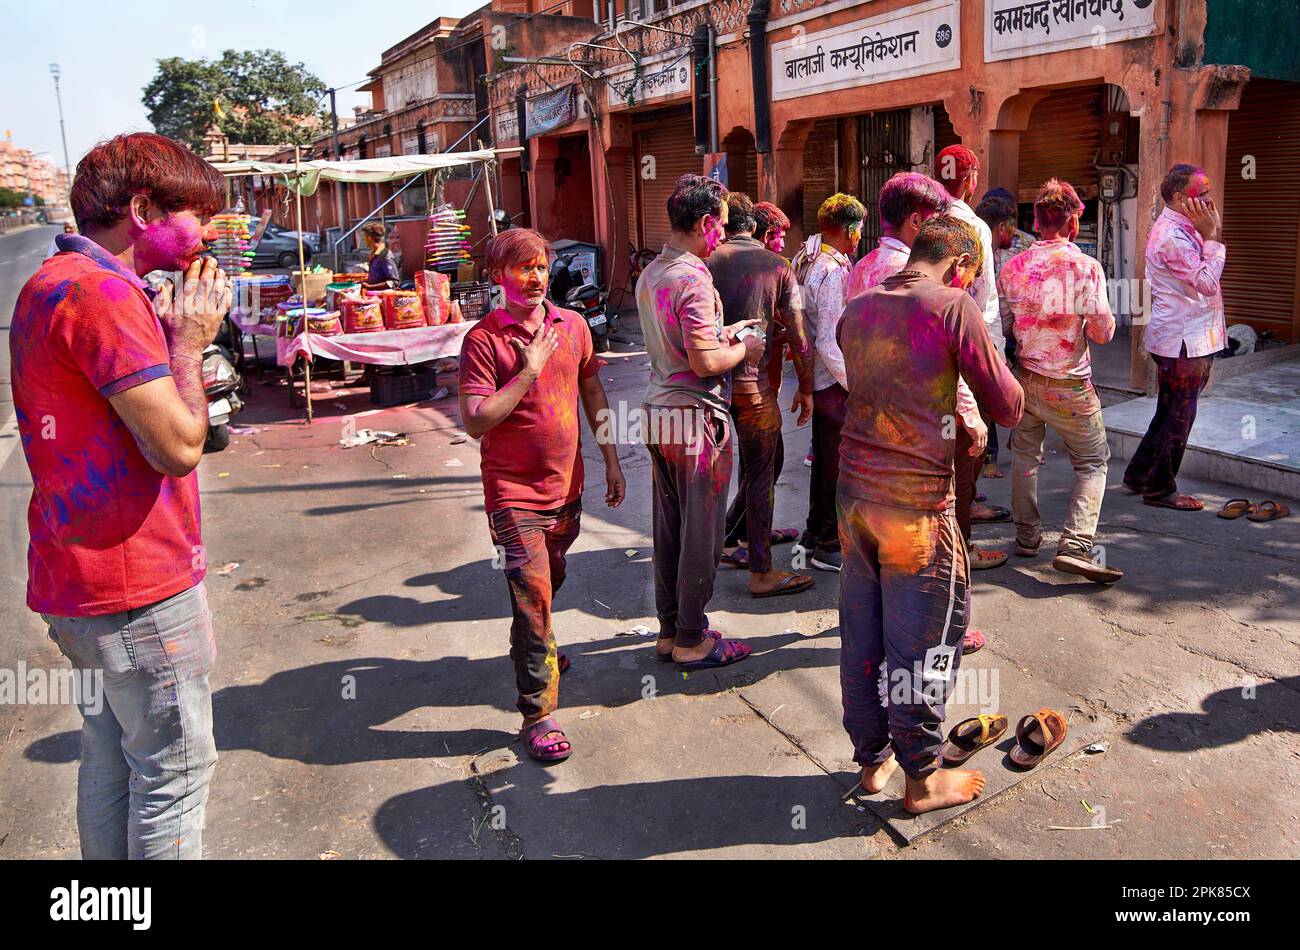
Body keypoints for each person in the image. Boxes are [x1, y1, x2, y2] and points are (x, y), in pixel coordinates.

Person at [10, 132, 228, 858]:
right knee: (174, 771)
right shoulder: (101, 295)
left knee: (114, 759)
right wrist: (190, 343)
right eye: (197, 214)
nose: (208, 234)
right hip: (135, 585)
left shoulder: (52, 282)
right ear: (142, 208)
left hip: (77, 581)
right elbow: (177, 447)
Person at [836, 214, 1023, 814]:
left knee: (862, 632)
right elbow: (1007, 405)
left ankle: (872, 762)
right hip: (915, 505)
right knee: (925, 643)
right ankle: (921, 778)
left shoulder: (859, 307)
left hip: (854, 495)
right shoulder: (952, 306)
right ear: (963, 266)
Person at [458, 228, 626, 763]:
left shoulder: (571, 325)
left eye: (540, 266)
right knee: (532, 598)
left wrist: (611, 459)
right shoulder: (483, 340)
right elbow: (475, 420)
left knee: (548, 584)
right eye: (522, 268)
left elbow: (593, 390)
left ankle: (538, 645)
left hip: (566, 487)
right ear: (497, 276)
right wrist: (527, 369)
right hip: (512, 493)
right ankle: (538, 713)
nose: (534, 277)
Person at [637, 174, 761, 669]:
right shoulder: (692, 277)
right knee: (702, 531)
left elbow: (684, 344)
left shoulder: (652, 273)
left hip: (658, 413)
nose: (724, 237)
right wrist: (744, 346)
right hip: (694, 418)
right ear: (706, 224)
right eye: (722, 227)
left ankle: (671, 629)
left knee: (671, 528)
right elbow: (707, 362)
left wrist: (722, 334)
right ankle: (692, 638)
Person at [999, 179, 1122, 583]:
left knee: (1024, 457)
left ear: (1034, 220)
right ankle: (1075, 545)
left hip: (1026, 377)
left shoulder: (1013, 267)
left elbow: (1003, 324)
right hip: (1070, 385)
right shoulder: (1085, 268)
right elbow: (1103, 333)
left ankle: (1026, 537)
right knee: (1092, 462)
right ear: (1073, 224)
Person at [707, 192, 815, 597]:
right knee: (762, 470)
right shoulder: (778, 267)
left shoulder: (704, 262)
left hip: (710, 385)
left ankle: (735, 541)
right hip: (751, 387)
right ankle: (761, 569)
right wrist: (806, 388)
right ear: (753, 227)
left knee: (754, 467)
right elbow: (801, 337)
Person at [1122, 163, 1226, 511]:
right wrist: (1213, 238)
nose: (1210, 200)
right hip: (1183, 342)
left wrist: (1209, 234)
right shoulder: (1174, 236)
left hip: (1191, 338)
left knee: (1169, 412)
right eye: (1203, 194)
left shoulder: (1187, 227)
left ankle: (1139, 475)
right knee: (1181, 416)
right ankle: (1161, 489)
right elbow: (1207, 284)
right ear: (1181, 199)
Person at [935, 145, 1010, 545]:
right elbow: (984, 302)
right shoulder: (975, 227)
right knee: (968, 443)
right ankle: (958, 536)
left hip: (923, 347)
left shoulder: (925, 216)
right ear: (971, 179)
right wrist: (991, 356)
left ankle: (946, 516)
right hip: (961, 347)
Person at [798, 193, 867, 573]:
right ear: (851, 231)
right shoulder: (831, 269)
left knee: (825, 461)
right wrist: (855, 383)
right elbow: (827, 338)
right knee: (833, 465)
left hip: (819, 379)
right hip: (831, 383)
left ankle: (814, 533)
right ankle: (827, 543)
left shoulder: (808, 258)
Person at [974, 187, 1031, 478]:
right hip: (987, 334)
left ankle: (1024, 442)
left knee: (1020, 389)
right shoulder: (975, 246)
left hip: (1014, 331)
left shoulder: (1026, 245)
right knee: (987, 394)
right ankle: (988, 457)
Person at [361, 222, 400, 290]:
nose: (364, 239)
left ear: (369, 238)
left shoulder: (385, 255)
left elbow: (394, 282)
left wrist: (369, 287)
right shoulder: (374, 255)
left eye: (364, 236)